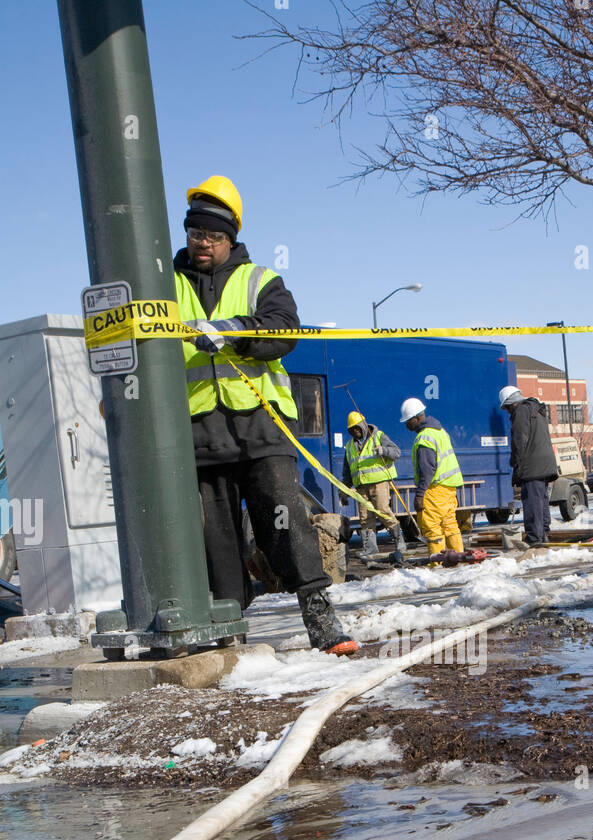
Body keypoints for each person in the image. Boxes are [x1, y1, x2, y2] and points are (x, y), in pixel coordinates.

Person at [175, 176, 357, 654]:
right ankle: (229, 635)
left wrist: (233, 332)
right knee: (216, 543)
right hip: (199, 436)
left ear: (231, 238)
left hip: (261, 429)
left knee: (284, 524)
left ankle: (321, 622)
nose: (203, 243)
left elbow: (284, 330)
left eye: (213, 236)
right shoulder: (165, 286)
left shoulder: (260, 280)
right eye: (196, 233)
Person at [399, 398, 464, 556]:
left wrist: (420, 494)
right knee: (449, 524)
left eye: (408, 421)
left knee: (432, 527)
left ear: (416, 418)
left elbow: (427, 469)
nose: (406, 425)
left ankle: (438, 562)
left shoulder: (424, 437)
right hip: (449, 487)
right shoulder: (440, 431)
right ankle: (459, 558)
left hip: (434, 489)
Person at [342, 411, 406, 564]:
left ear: (363, 425)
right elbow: (347, 471)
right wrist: (344, 489)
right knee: (365, 518)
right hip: (361, 486)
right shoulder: (350, 446)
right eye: (352, 430)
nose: (355, 432)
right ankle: (370, 548)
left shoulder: (378, 436)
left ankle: (400, 543)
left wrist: (383, 450)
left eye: (357, 428)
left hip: (379, 482)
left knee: (383, 511)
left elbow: (396, 452)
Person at [499, 385, 558, 546]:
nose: (507, 412)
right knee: (541, 500)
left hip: (533, 465)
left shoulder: (520, 412)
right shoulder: (536, 409)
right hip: (545, 463)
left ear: (511, 404)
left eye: (507, 409)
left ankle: (534, 538)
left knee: (532, 501)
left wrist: (516, 464)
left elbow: (520, 440)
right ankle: (544, 533)